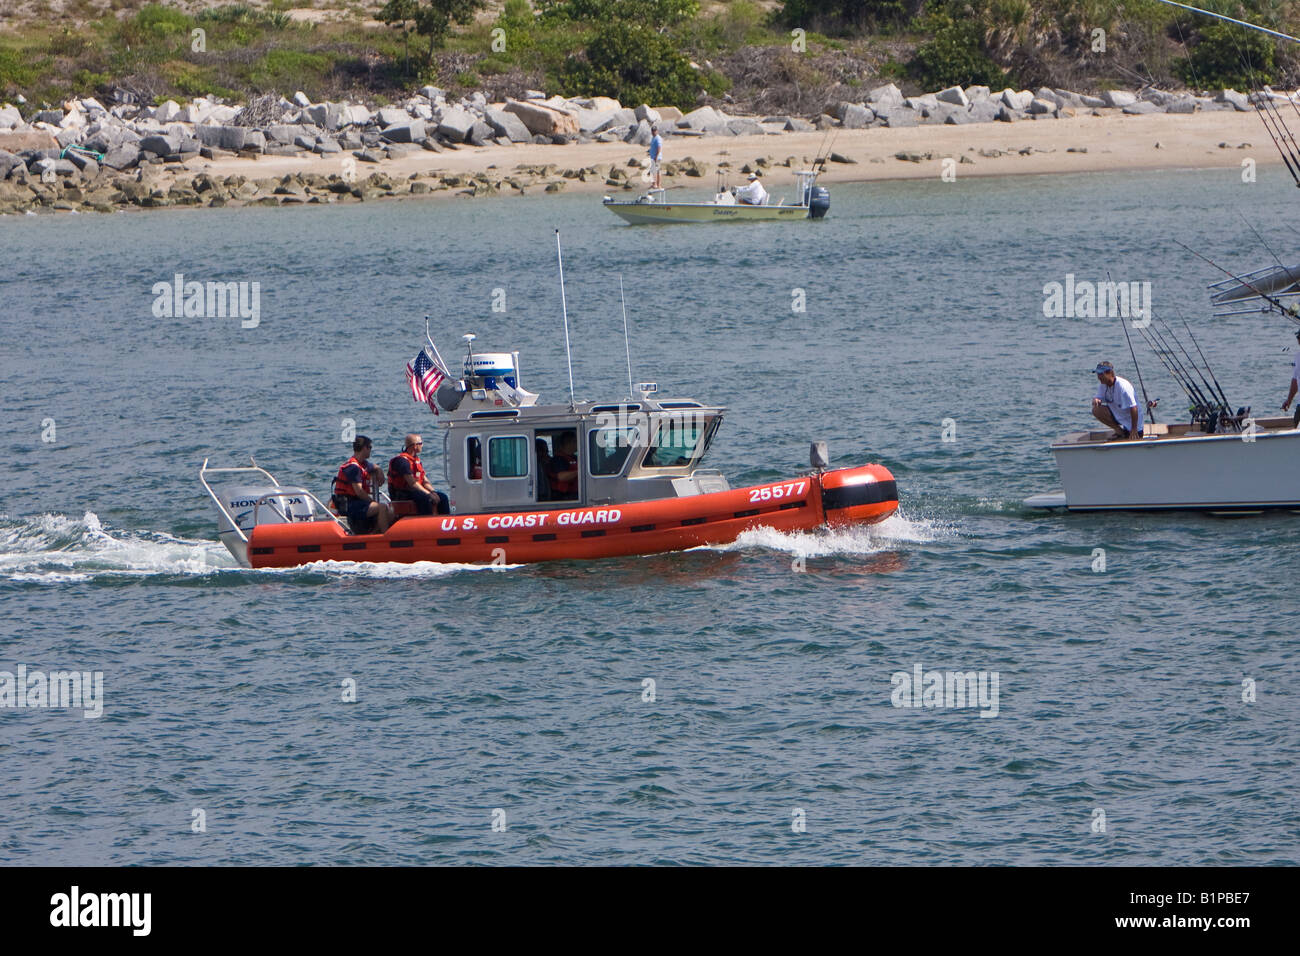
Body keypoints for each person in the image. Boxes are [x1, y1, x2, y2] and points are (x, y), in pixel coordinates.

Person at [333, 436, 393, 533]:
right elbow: (359, 492)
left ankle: (373, 533)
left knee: (391, 512)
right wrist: (372, 502)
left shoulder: (363, 464)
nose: (370, 450)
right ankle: (385, 537)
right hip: (351, 504)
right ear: (364, 448)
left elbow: (373, 466)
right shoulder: (354, 468)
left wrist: (379, 470)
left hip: (359, 503)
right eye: (370, 447)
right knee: (382, 507)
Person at [388, 434, 448, 516]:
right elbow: (412, 483)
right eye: (421, 443)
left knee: (443, 497)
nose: (422, 445)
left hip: (415, 491)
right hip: (402, 493)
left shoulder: (416, 461)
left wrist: (433, 492)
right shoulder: (402, 462)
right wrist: (429, 494)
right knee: (425, 498)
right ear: (415, 446)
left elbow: (424, 480)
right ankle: (426, 521)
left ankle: (443, 521)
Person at [1091, 361, 1144, 440]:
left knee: (1133, 436)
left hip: (1132, 422)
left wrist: (1134, 429)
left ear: (1110, 373)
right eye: (1098, 374)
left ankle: (1130, 431)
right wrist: (1096, 400)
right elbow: (1097, 398)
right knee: (1096, 410)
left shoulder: (1123, 387)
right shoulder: (1103, 385)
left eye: (1101, 374)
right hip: (1118, 417)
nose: (1099, 377)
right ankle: (1119, 431)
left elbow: (1134, 408)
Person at [548, 431, 579, 499]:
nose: (578, 444)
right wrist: (580, 471)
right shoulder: (558, 459)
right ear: (569, 443)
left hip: (575, 494)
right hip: (563, 496)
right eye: (576, 441)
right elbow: (561, 477)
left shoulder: (575, 458)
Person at [1282, 328, 1300, 427]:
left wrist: (1288, 401)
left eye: (1298, 337)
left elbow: (1295, 382)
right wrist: (1289, 401)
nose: (1298, 340)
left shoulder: (1299, 357)